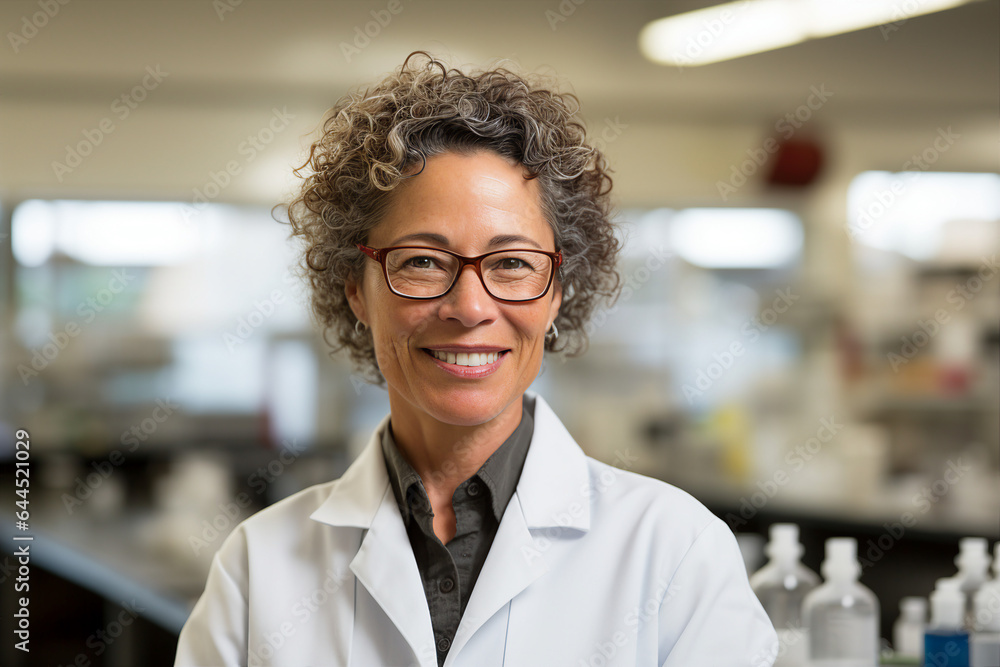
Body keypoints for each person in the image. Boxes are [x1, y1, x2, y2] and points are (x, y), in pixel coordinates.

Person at [174, 51, 778, 667]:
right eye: (422, 261)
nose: (469, 307)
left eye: (512, 263)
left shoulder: (675, 550)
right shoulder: (259, 566)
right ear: (355, 288)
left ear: (558, 294)